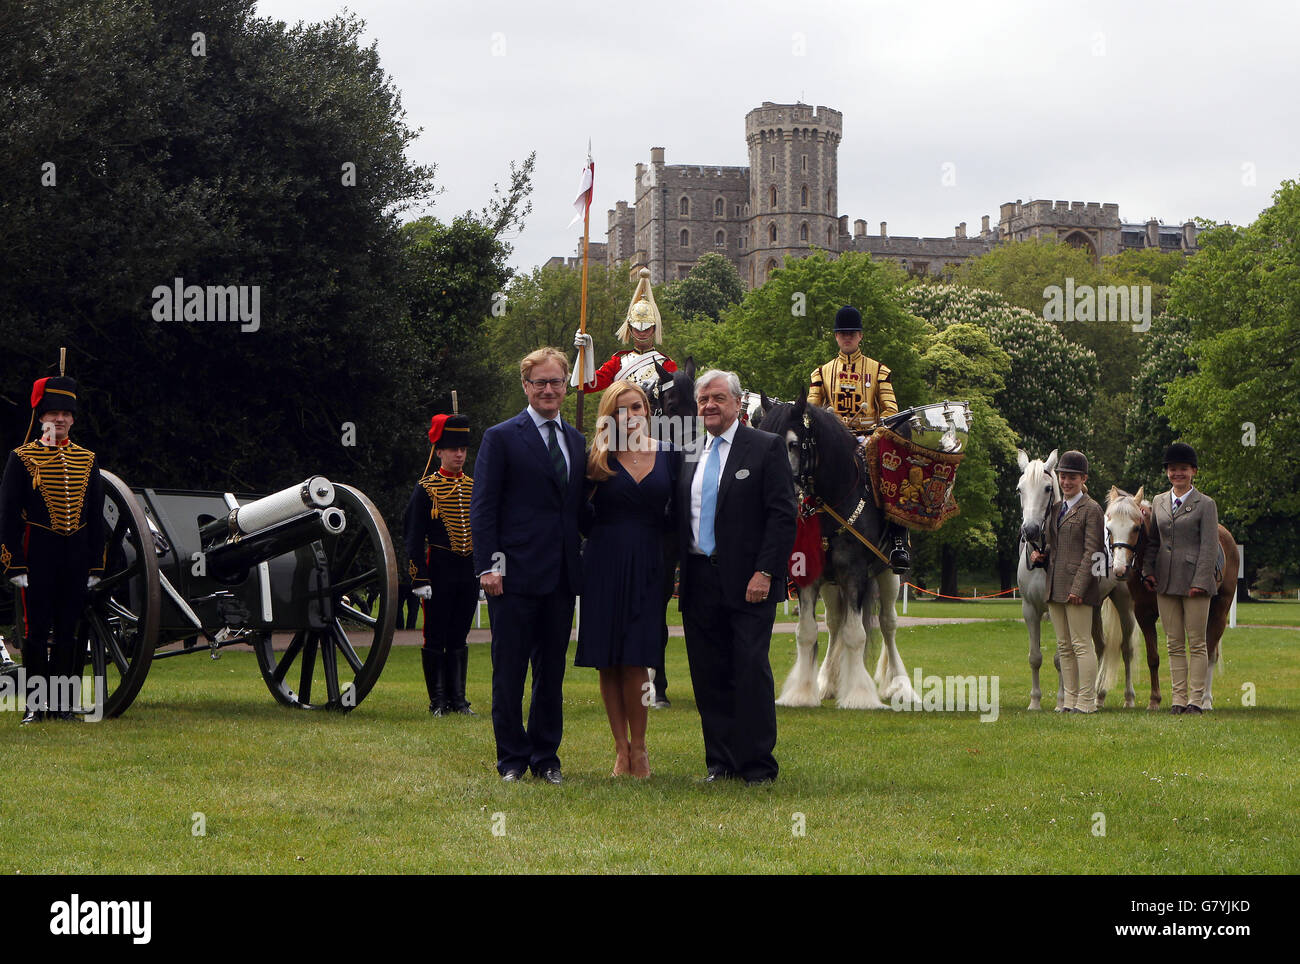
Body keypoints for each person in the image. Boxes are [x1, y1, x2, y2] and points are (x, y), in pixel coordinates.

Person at [470, 347, 584, 783]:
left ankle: (546, 757)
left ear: (565, 384)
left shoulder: (575, 440)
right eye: (541, 383)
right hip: (512, 576)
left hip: (559, 577)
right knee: (511, 671)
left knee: (551, 672)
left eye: (556, 382)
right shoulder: (501, 437)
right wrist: (488, 567)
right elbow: (484, 509)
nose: (549, 390)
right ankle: (512, 759)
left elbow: (574, 510)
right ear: (526, 386)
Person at [676, 369, 796, 784]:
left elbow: (783, 516)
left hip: (750, 584)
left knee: (748, 670)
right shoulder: (689, 452)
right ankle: (720, 762)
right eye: (704, 399)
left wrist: (765, 571)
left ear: (738, 404)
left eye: (718, 398)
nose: (710, 405)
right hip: (698, 581)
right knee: (708, 674)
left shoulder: (766, 448)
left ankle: (758, 765)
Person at [575, 380, 678, 779]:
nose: (629, 415)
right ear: (609, 415)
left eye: (636, 407)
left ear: (647, 411)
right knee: (608, 660)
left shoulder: (668, 455)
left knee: (637, 657)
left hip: (650, 564)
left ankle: (641, 748)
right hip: (604, 562)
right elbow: (579, 516)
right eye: (620, 409)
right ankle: (620, 750)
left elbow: (677, 516)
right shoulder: (596, 460)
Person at [0, 370, 104, 724]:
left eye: (66, 414)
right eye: (52, 413)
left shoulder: (88, 460)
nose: (59, 419)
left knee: (67, 630)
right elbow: (9, 514)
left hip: (75, 555)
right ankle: (35, 705)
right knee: (35, 630)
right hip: (37, 553)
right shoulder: (22, 457)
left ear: (73, 419)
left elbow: (95, 516)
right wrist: (13, 563)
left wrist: (95, 565)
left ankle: (62, 705)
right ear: (41, 416)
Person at [807, 305, 909, 572]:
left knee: (892, 477)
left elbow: (891, 412)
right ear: (836, 337)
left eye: (852, 333)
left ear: (860, 335)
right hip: (833, 446)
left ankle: (899, 542)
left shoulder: (879, 371)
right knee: (802, 478)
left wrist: (872, 438)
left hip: (868, 443)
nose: (847, 337)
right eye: (842, 333)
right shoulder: (821, 373)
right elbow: (811, 414)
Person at [405, 412, 477, 716]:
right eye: (452, 448)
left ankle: (459, 700)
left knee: (459, 634)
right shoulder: (426, 489)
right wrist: (419, 576)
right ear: (439, 452)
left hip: (468, 570)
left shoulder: (475, 486)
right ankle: (438, 701)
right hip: (439, 570)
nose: (459, 454)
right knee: (435, 634)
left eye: (462, 448)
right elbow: (412, 535)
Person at [1142, 442, 1220, 716]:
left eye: (1183, 469)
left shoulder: (1206, 504)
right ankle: (1178, 699)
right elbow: (1153, 542)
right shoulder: (1158, 501)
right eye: (1173, 469)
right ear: (1167, 472)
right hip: (1165, 580)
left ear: (1193, 472)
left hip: (1195, 583)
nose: (1178, 473)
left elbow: (1209, 547)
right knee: (1173, 643)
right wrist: (1147, 571)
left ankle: (1196, 701)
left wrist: (1200, 580)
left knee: (1196, 642)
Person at [1031, 450, 1103, 714]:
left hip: (1078, 588)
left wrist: (1078, 588)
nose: (1066, 482)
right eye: (1063, 477)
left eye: (1072, 477)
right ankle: (1069, 701)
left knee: (1082, 643)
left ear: (1083, 478)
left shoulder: (1092, 509)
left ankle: (1086, 702)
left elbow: (1093, 553)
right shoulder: (1057, 509)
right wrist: (1042, 555)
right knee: (1064, 646)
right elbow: (1055, 545)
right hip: (1055, 585)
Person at [571, 267, 677, 395]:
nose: (642, 332)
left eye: (647, 328)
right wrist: (586, 351)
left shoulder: (666, 364)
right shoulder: (617, 363)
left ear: (654, 329)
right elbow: (585, 386)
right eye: (637, 328)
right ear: (630, 329)